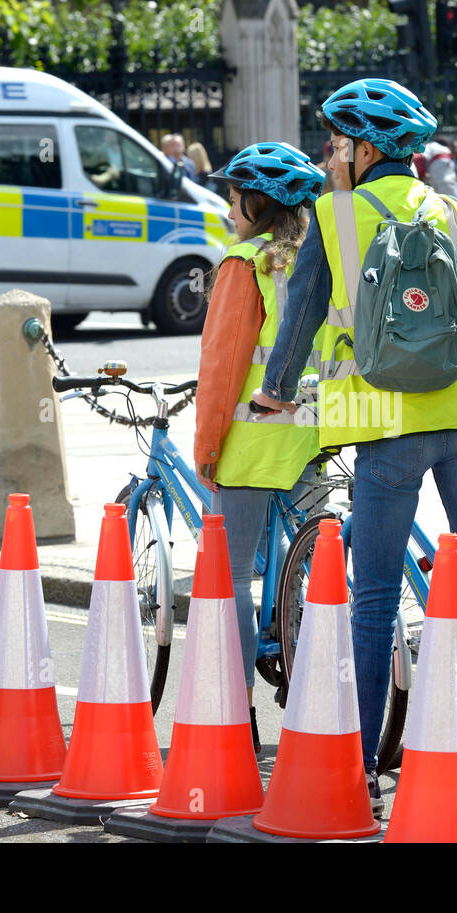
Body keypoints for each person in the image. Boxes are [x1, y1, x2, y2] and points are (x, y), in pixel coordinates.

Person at [251, 78, 457, 814]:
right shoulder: (448, 207)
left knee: (376, 599)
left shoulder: (332, 213)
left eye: (337, 142)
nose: (330, 154)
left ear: (362, 149)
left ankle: (357, 764)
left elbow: (299, 317)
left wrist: (277, 390)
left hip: (386, 426)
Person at [194, 142, 326, 754]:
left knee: (231, 582)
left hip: (252, 439)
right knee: (311, 577)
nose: (227, 203)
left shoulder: (243, 264)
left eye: (233, 193)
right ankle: (322, 710)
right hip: (318, 435)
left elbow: (222, 367)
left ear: (257, 203)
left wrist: (207, 447)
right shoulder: (318, 259)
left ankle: (235, 715)